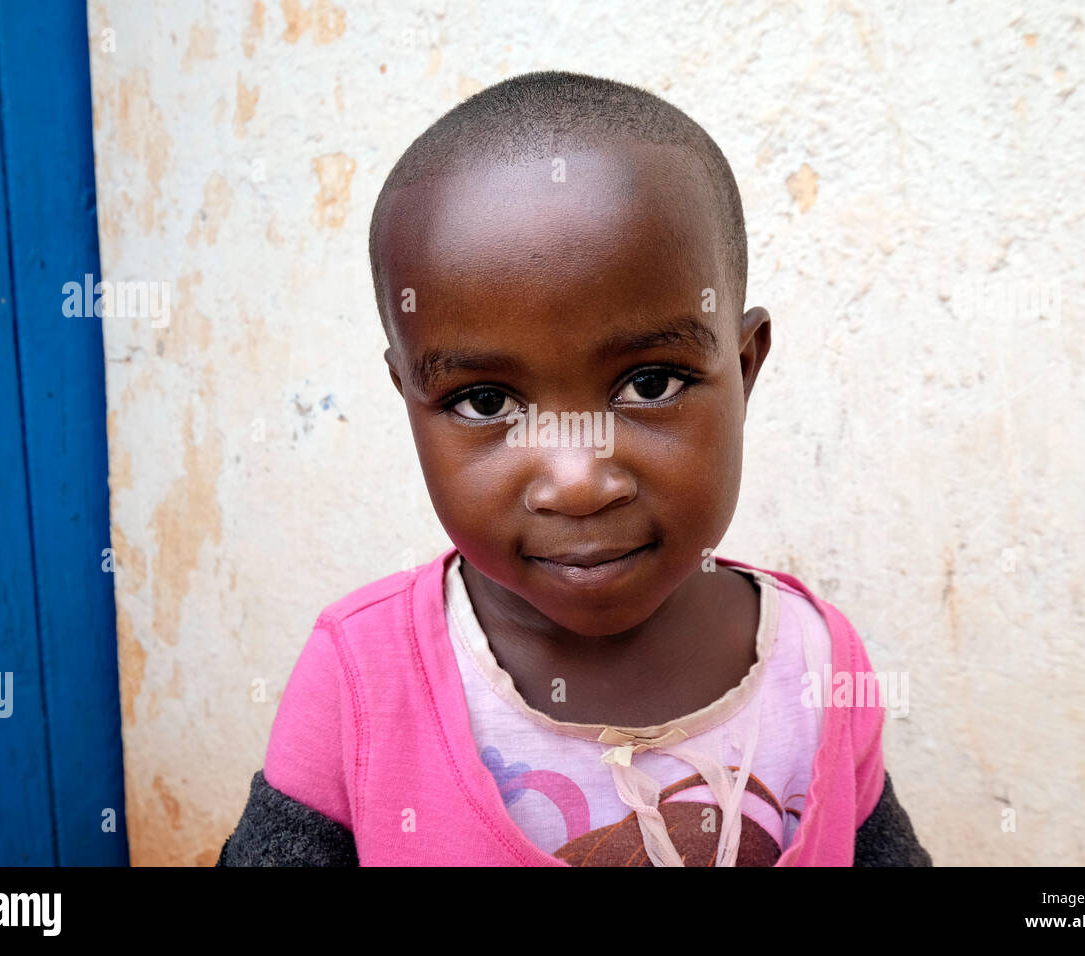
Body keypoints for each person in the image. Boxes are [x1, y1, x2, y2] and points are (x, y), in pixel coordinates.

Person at [218, 70, 931, 866]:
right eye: (485, 402)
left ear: (746, 366)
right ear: (408, 395)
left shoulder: (820, 663)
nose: (579, 482)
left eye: (650, 384)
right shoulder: (362, 676)